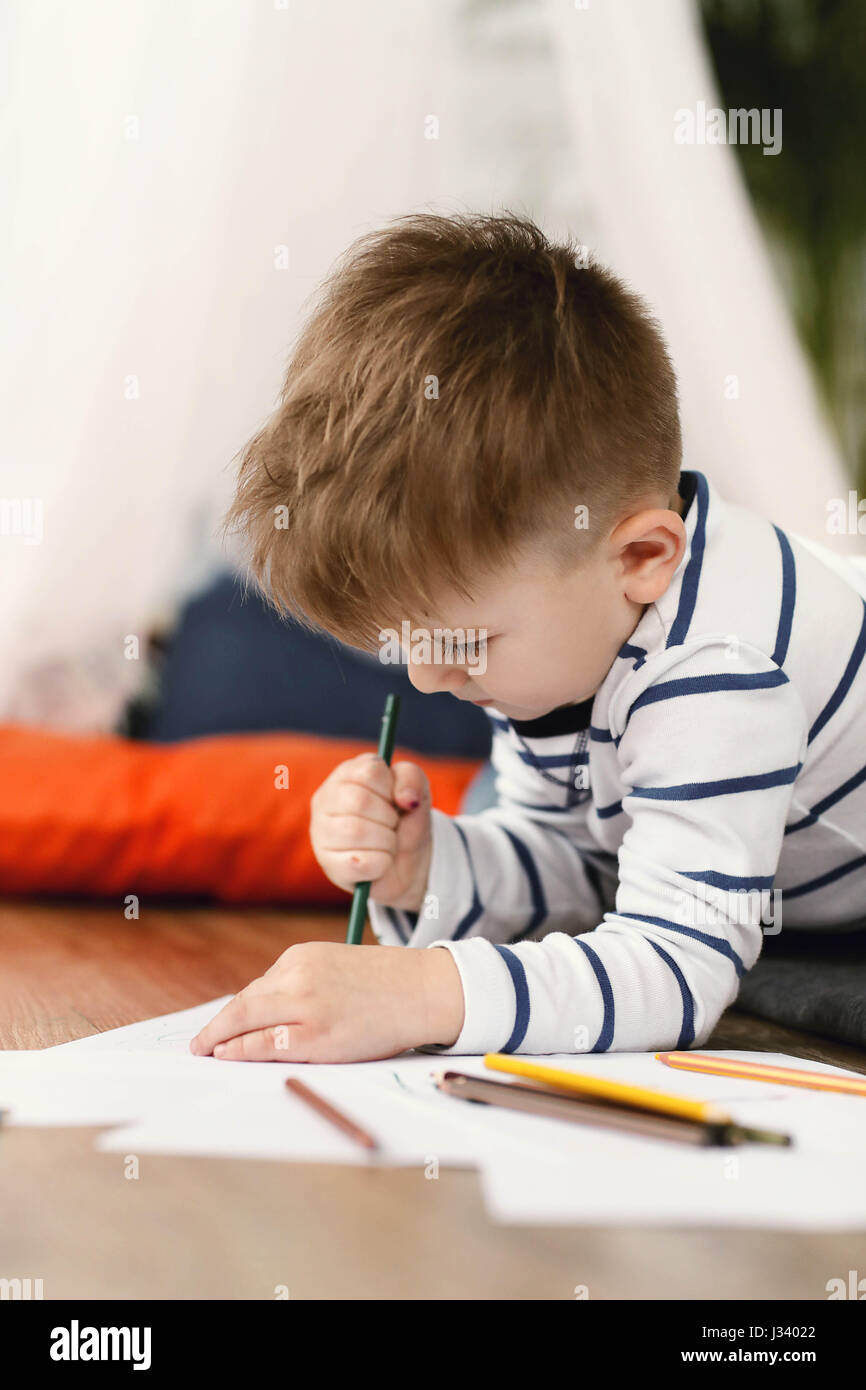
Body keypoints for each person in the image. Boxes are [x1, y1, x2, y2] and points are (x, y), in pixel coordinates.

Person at [190, 211, 866, 1063]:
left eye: (465, 645)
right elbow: (580, 865)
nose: (431, 683)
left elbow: (675, 972)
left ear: (645, 555)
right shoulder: (576, 626)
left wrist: (425, 991)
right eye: (409, 645)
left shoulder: (719, 670)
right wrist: (427, 866)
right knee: (476, 809)